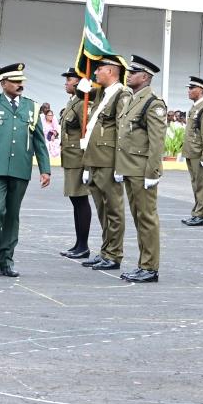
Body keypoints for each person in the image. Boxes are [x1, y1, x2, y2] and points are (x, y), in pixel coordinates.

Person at [0, 63, 51, 277]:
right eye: (15, 81)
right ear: (3, 83)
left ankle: (7, 260)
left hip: (20, 169)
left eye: (21, 81)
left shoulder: (31, 107)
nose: (19, 85)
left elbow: (39, 141)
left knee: (12, 216)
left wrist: (45, 169)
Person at [114, 55, 167, 283]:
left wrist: (152, 173)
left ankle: (149, 267)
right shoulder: (132, 100)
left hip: (142, 170)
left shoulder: (152, 103)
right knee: (139, 218)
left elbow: (157, 142)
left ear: (144, 77)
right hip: (130, 168)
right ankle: (143, 264)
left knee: (146, 219)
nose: (128, 75)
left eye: (133, 72)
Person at [79, 55, 132, 271]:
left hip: (109, 160)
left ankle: (114, 253)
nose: (94, 73)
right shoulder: (103, 93)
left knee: (114, 209)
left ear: (110, 71)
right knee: (102, 209)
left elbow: (122, 131)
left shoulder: (122, 94)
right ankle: (105, 250)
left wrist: (121, 164)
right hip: (95, 159)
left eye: (98, 69)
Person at [58, 68, 92, 258]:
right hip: (70, 158)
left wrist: (87, 165)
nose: (66, 83)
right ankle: (79, 243)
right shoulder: (73, 102)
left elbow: (86, 134)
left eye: (70, 79)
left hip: (79, 159)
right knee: (75, 200)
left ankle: (83, 245)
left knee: (80, 201)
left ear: (79, 82)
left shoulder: (83, 104)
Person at [181, 76, 203, 227]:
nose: (189, 91)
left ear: (200, 90)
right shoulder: (195, 108)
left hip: (199, 153)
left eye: (192, 88)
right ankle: (196, 211)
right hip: (191, 152)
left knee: (201, 184)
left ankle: (200, 215)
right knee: (195, 184)